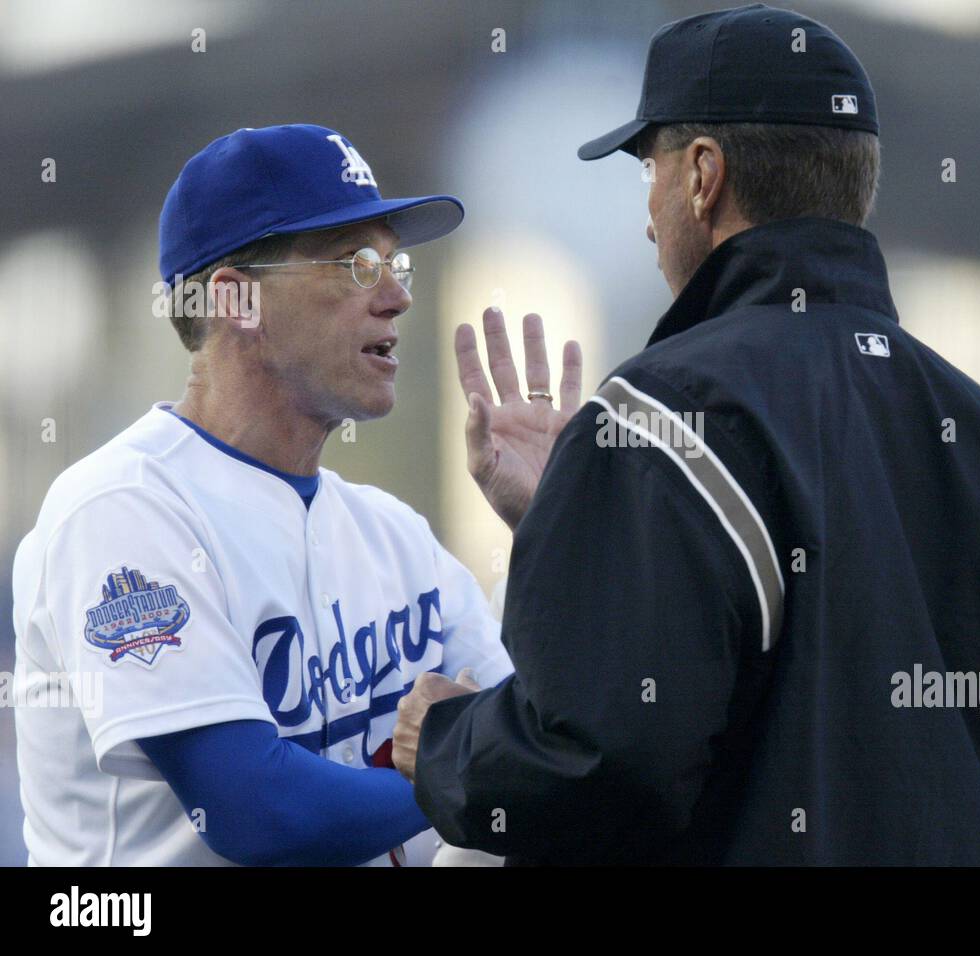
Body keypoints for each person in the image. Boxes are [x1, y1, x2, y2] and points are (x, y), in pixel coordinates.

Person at [394, 4, 980, 865]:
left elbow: (601, 769)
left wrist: (445, 738)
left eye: (648, 175)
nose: (648, 215)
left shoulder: (659, 421)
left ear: (703, 176)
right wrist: (573, 525)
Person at [10, 123, 579, 866]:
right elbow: (257, 811)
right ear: (237, 299)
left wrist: (553, 533)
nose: (398, 295)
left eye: (396, 260)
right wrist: (471, 772)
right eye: (356, 264)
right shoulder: (121, 508)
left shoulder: (393, 536)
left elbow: (563, 735)